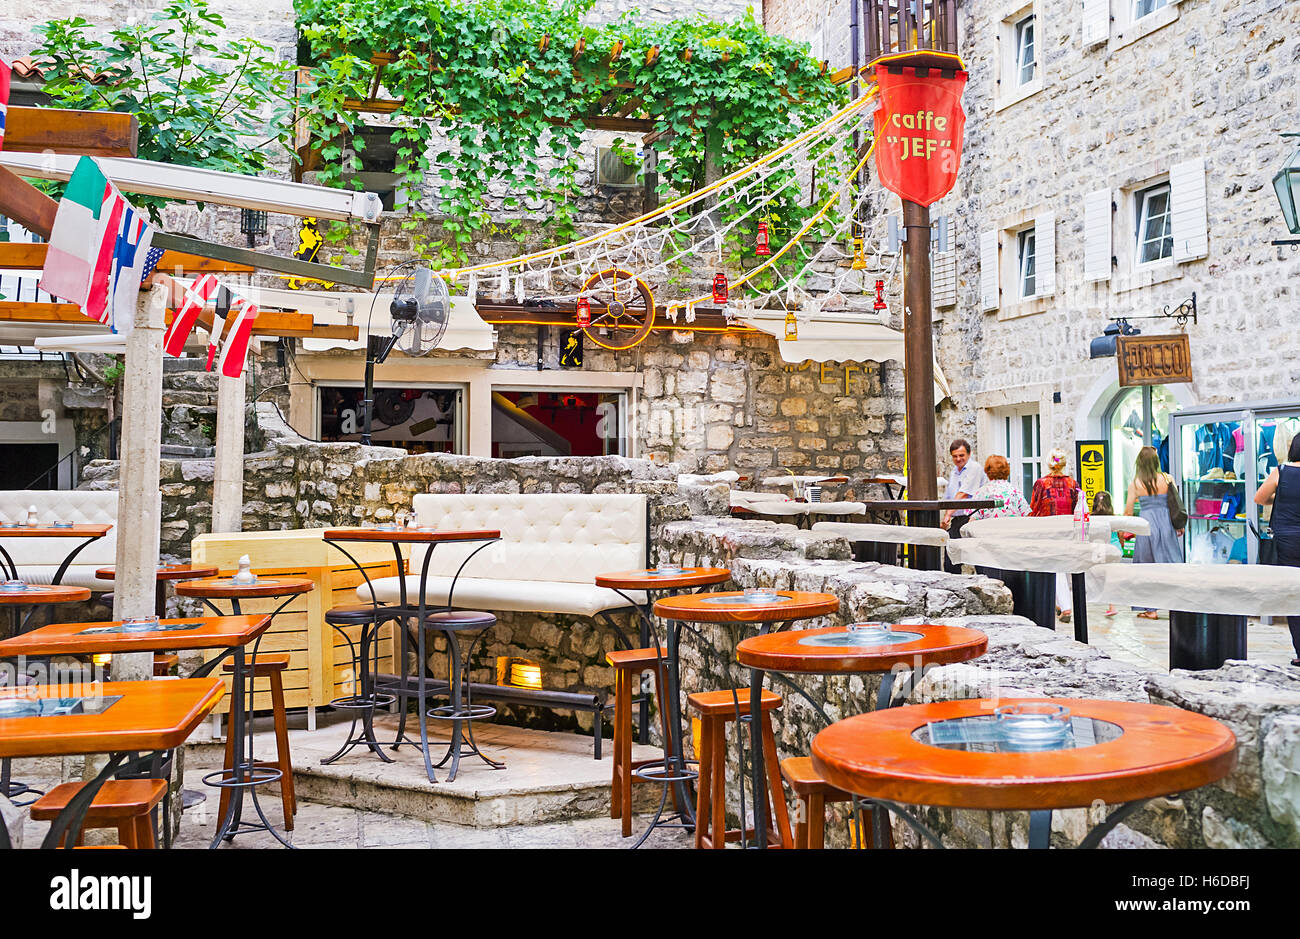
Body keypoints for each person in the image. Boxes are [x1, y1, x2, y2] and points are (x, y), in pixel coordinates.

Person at [1253, 434, 1300, 666]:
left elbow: (1259, 498)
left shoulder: (1282, 471)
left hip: (1288, 541)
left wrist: (1279, 497)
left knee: (1293, 593)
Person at [1123, 445, 1184, 620]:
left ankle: (1151, 609)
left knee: (1145, 567)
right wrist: (1179, 525)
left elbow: (1128, 511)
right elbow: (1175, 505)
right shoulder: (1167, 478)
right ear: (1156, 462)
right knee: (1171, 563)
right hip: (1166, 524)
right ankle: (1177, 604)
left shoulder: (1135, 483)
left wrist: (1125, 529)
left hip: (1145, 526)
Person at [1030, 448, 1082, 622]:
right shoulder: (1073, 484)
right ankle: (1059, 604)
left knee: (1054, 567)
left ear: (1048, 463)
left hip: (1048, 530)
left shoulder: (1041, 484)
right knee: (1061, 568)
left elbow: (1034, 508)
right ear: (1064, 463)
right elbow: (1078, 508)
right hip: (1067, 529)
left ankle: (1065, 607)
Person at [941, 439, 986, 573]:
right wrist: (947, 517)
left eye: (961, 455)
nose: (958, 459)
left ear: (969, 454)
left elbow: (963, 494)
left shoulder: (974, 468)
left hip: (973, 519)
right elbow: (951, 497)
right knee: (951, 558)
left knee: (978, 558)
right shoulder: (954, 472)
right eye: (955, 456)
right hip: (958, 520)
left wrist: (948, 515)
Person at [1090, 490, 1127, 617]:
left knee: (1102, 576)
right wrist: (1121, 544)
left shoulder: (1092, 518)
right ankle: (1112, 604)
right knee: (1111, 577)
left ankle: (1108, 602)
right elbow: (1121, 534)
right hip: (1115, 549)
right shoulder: (1114, 517)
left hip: (1101, 550)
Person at [969, 455, 1030, 521]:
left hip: (989, 530)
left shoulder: (980, 492)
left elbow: (973, 519)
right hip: (1012, 529)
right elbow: (1026, 515)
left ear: (987, 470)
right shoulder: (1015, 491)